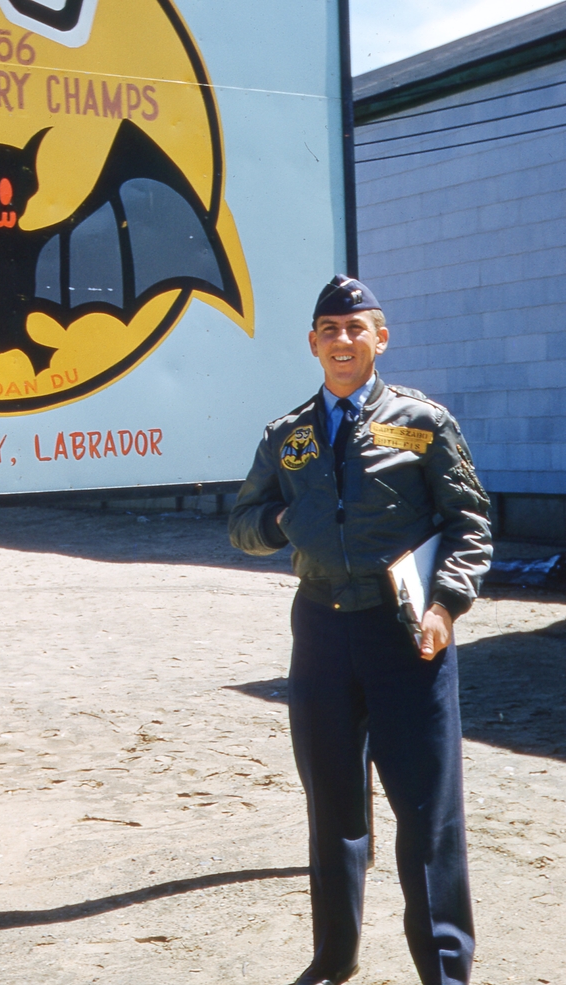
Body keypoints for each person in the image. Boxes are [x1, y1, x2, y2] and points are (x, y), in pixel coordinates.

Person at [228, 276, 492, 985]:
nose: (342, 340)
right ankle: (334, 955)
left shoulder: (421, 422)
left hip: (406, 633)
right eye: (329, 330)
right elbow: (242, 523)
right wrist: (282, 521)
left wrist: (445, 605)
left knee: (426, 810)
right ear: (313, 344)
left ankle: (444, 969)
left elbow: (469, 522)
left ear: (381, 338)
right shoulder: (287, 435)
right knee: (333, 804)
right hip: (321, 632)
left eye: (355, 328)